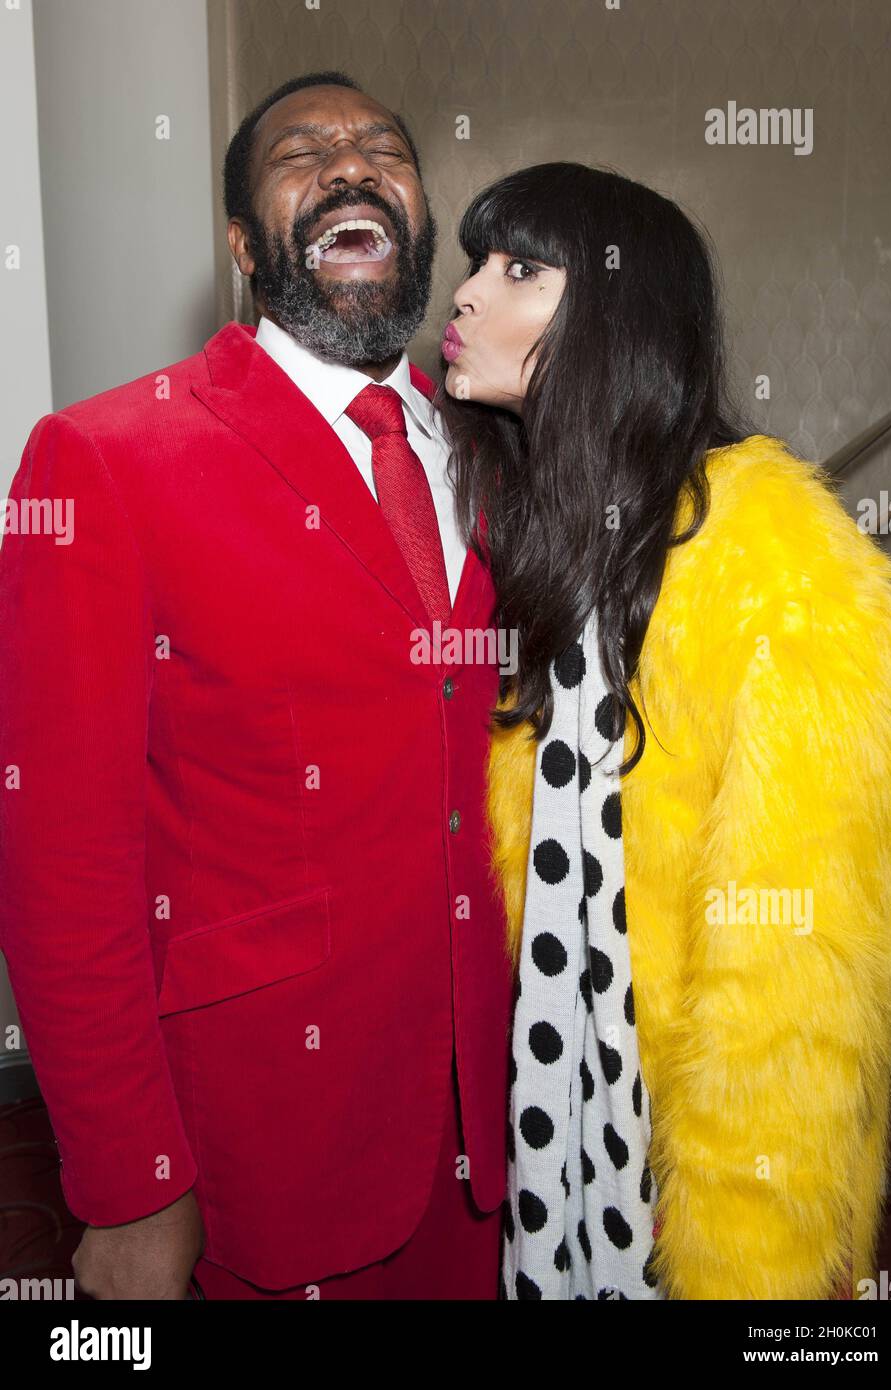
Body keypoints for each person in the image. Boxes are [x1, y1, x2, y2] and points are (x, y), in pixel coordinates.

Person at [0, 71, 513, 1301]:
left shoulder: (505, 450)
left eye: (382, 148)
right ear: (241, 245)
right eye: (301, 154)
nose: (349, 164)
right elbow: (62, 861)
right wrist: (130, 1181)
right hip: (268, 1155)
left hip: (507, 1143)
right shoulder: (104, 460)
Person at [432, 162, 891, 1299]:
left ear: (618, 317)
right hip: (563, 1132)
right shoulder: (551, 538)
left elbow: (800, 975)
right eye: (474, 263)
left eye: (519, 269)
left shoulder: (778, 561)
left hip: (698, 1179)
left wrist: (746, 1244)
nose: (466, 293)